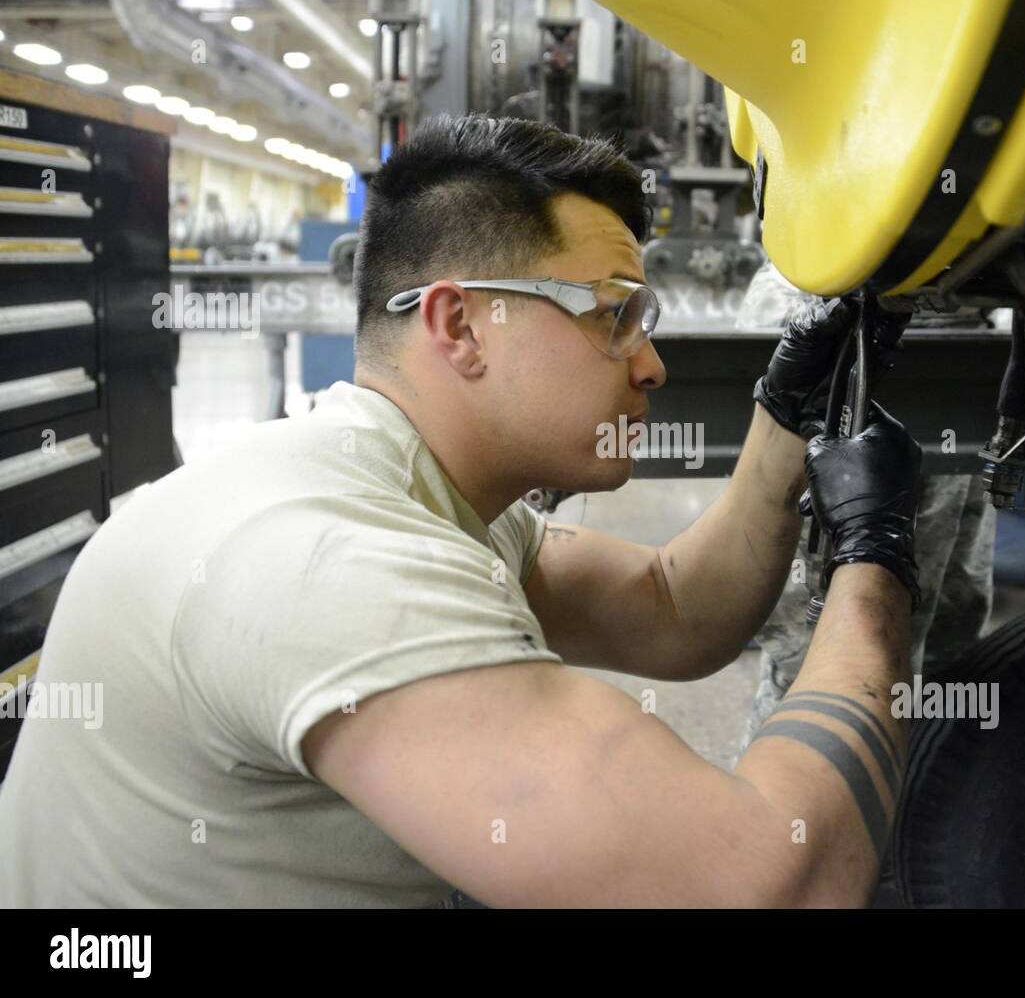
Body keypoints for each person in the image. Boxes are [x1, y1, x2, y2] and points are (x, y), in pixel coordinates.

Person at [0, 114, 919, 908]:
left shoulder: (397, 485)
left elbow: (674, 610)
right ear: (461, 327)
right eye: (614, 315)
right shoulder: (327, 564)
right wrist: (873, 564)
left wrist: (783, 423)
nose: (650, 363)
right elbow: (766, 880)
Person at [736, 261, 995, 755]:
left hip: (962, 319)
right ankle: (791, 811)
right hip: (830, 299)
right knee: (814, 660)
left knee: (942, 639)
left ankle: (913, 799)